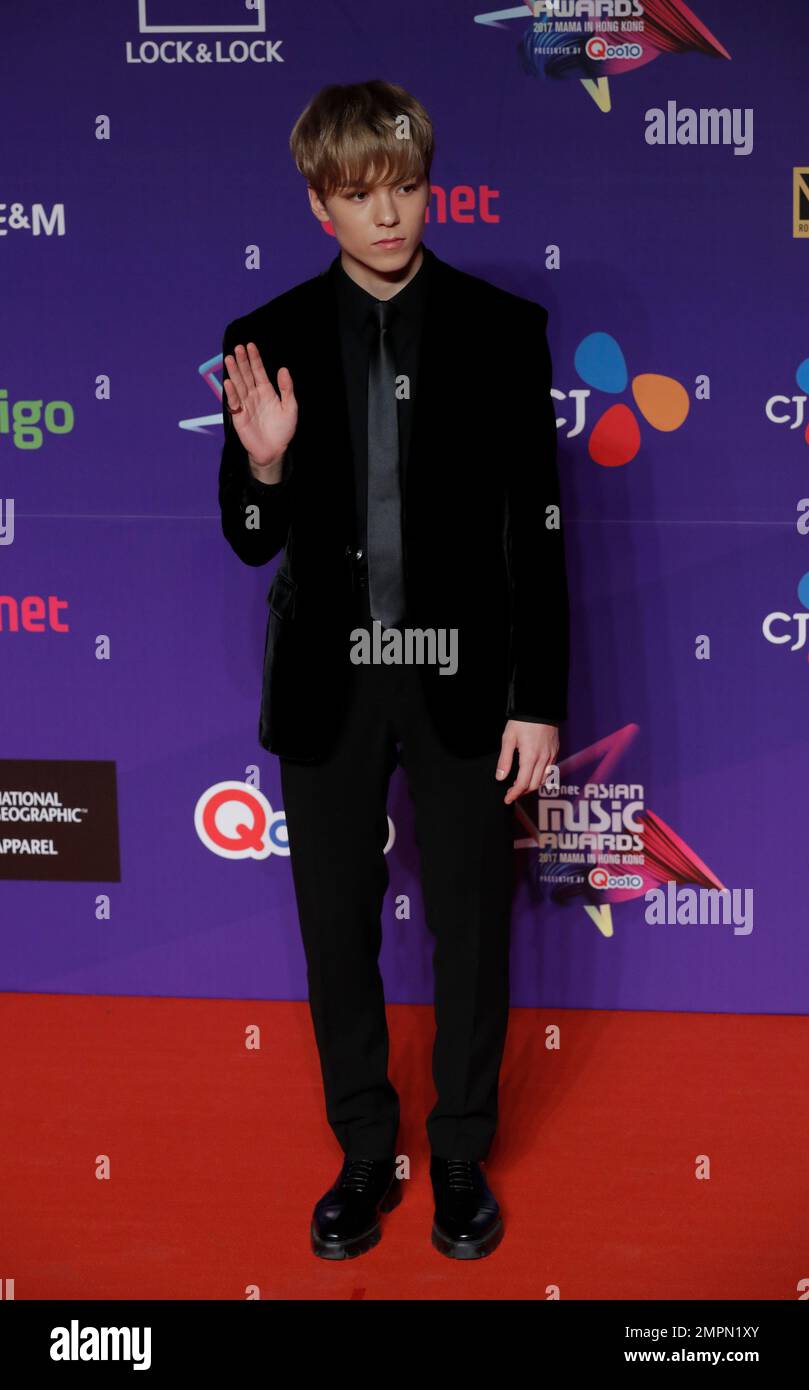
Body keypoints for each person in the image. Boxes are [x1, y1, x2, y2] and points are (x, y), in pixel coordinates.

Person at [218, 79, 570, 1261]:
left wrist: (537, 699)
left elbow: (537, 529)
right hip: (331, 676)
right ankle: (364, 1151)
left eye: (407, 189)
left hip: (465, 674)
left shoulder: (500, 329)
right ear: (320, 203)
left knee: (472, 921)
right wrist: (264, 469)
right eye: (362, 196)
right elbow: (250, 537)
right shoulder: (261, 339)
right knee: (336, 921)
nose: (390, 217)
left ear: (429, 188)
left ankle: (460, 1152)